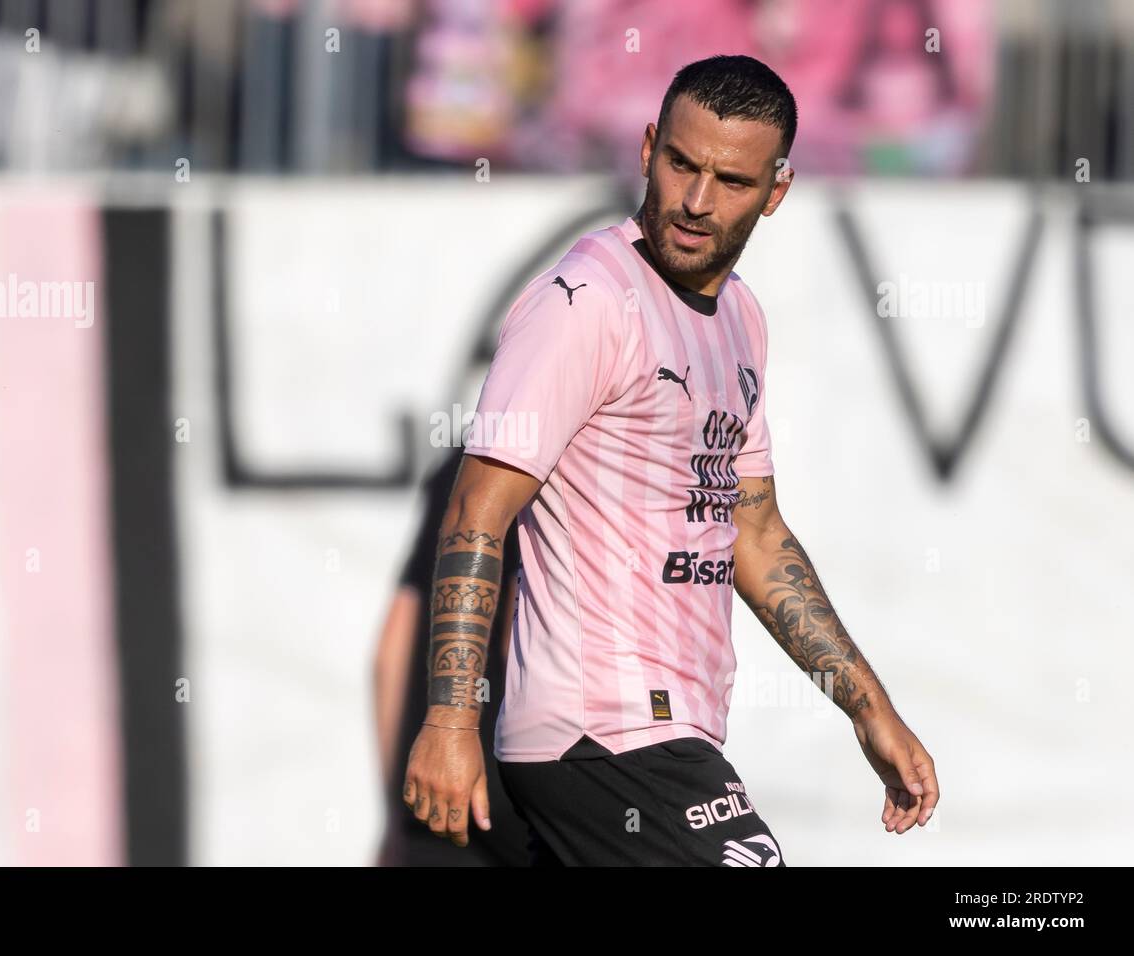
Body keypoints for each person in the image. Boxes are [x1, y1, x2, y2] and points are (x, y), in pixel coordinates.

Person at [401, 54, 940, 866]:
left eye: (729, 180)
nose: (696, 200)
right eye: (681, 163)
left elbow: (754, 536)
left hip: (670, 726)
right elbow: (478, 512)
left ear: (776, 191)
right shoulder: (585, 303)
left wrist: (868, 708)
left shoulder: (742, 321)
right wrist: (448, 722)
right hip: (598, 731)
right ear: (649, 146)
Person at [373, 447, 530, 865]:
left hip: (432, 783)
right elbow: (526, 630)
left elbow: (392, 645)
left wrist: (393, 806)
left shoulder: (463, 464)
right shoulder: (567, 455)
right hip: (517, 776)